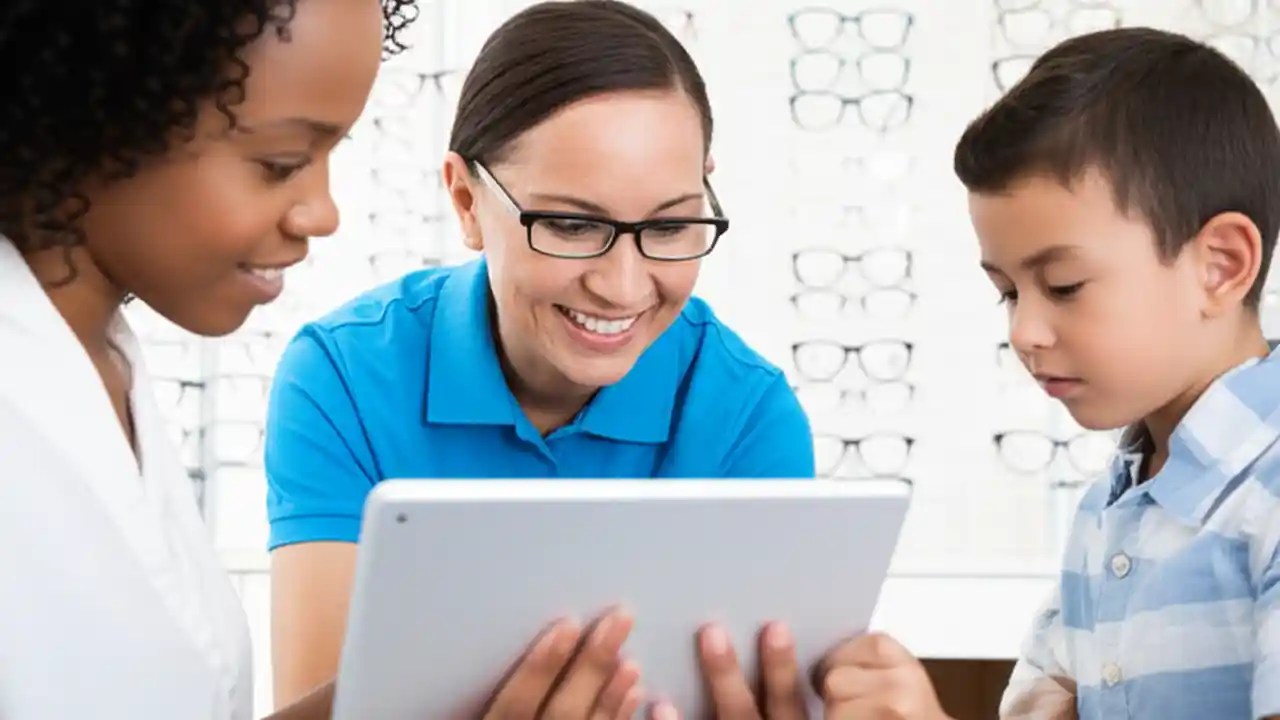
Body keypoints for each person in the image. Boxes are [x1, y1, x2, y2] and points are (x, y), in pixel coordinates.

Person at [0, 1, 642, 718]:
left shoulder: (99, 355)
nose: (322, 211)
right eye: (280, 164)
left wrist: (438, 694)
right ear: (92, 108)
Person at [703, 26, 1280, 720]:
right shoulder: (1111, 510)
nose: (1024, 332)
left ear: (1219, 265)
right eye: (1007, 292)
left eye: (1064, 285)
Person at [263, 0, 817, 704]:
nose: (620, 287)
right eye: (570, 224)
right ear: (466, 201)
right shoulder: (344, 376)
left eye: (671, 225)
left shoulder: (745, 414)